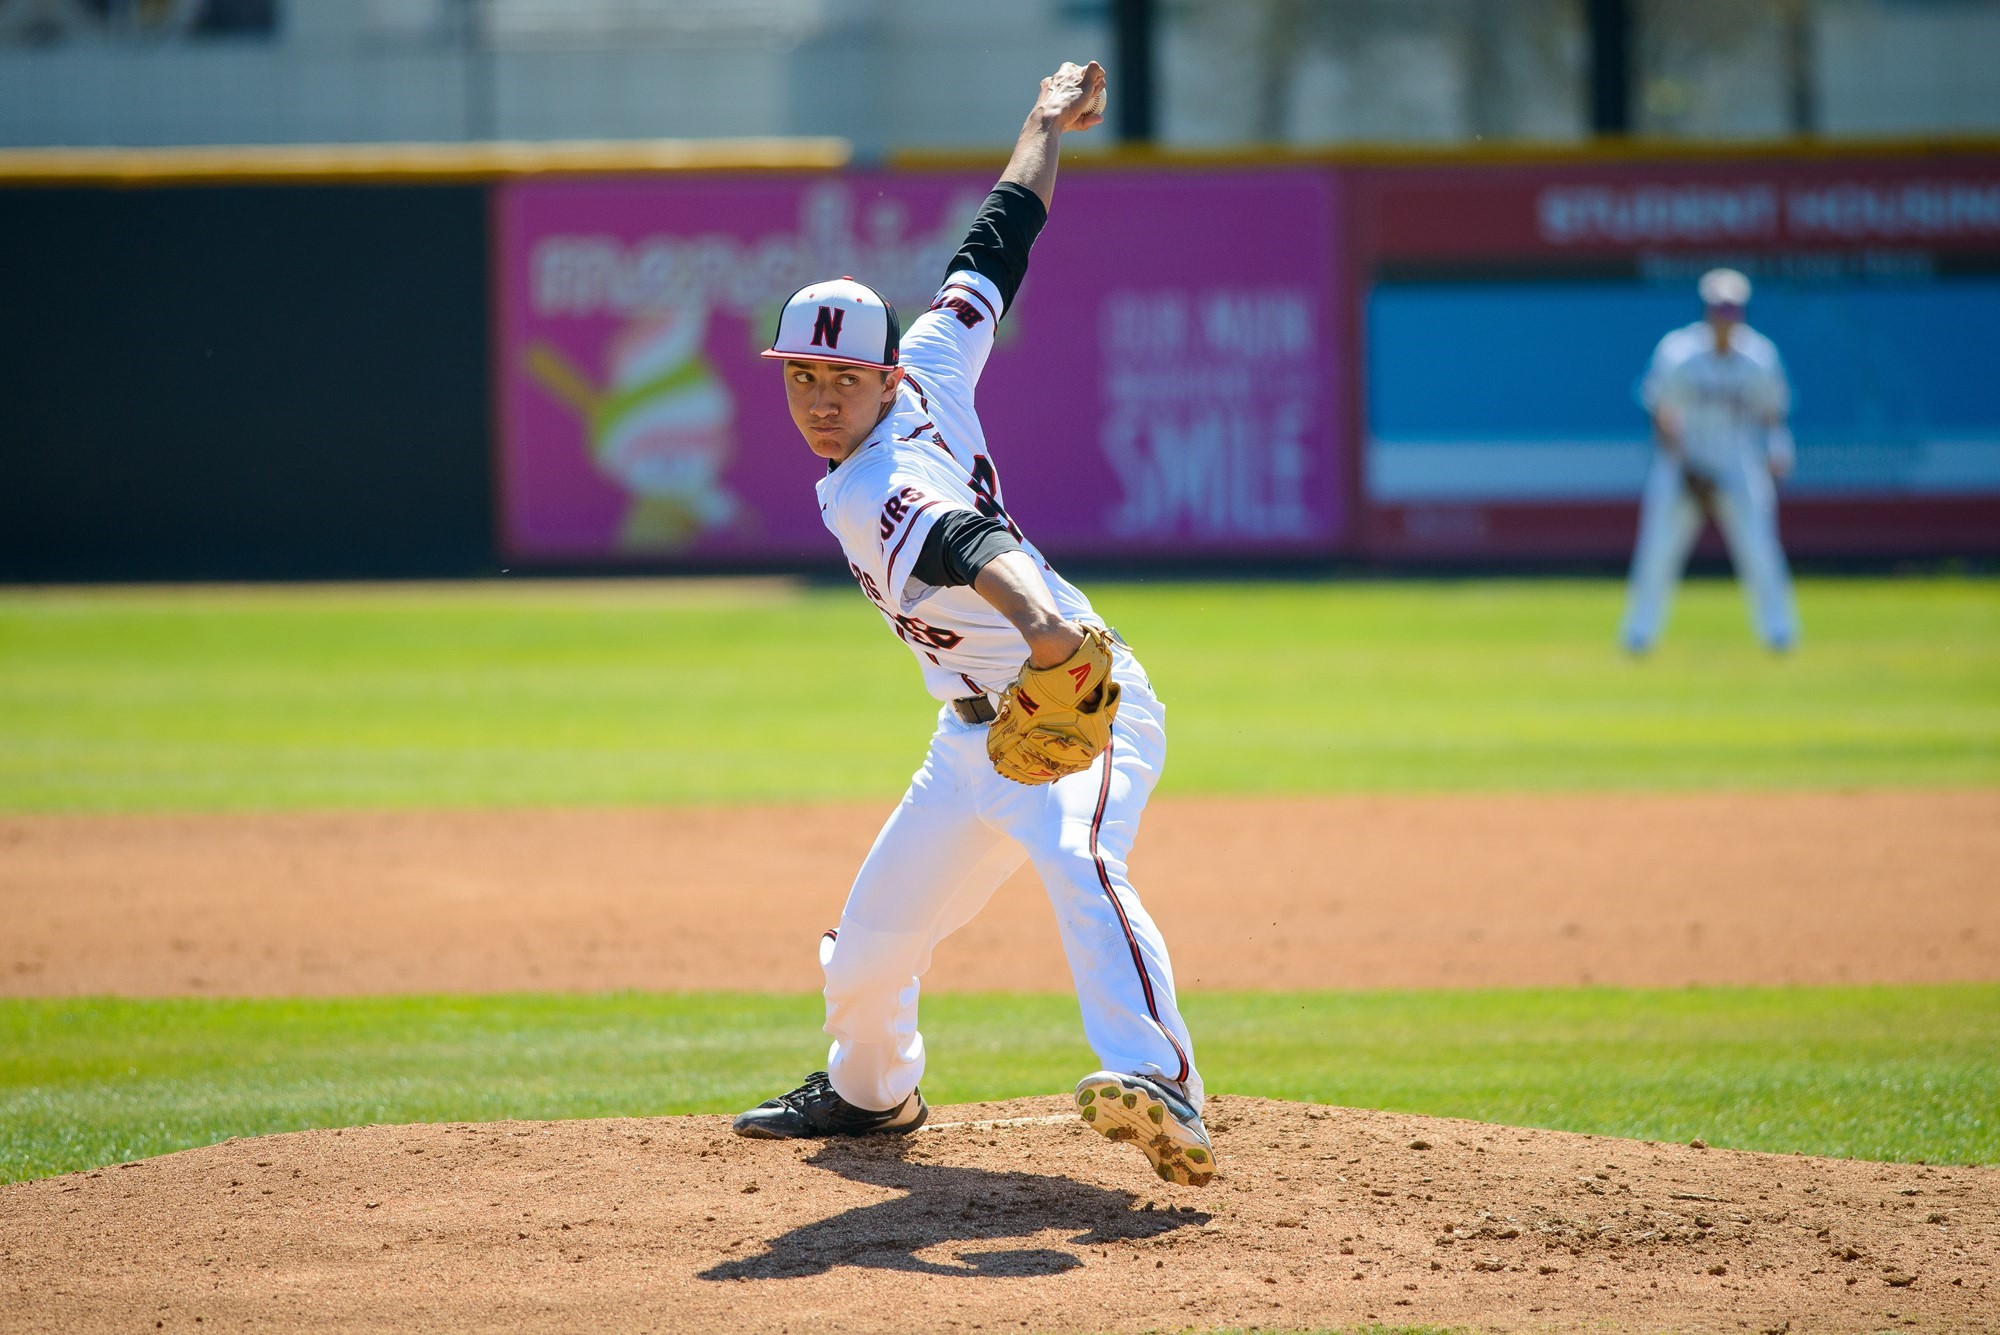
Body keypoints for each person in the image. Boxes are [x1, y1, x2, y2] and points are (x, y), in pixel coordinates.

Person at [727, 61, 1214, 1188]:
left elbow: (961, 543)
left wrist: (1048, 637)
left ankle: (1165, 1083)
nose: (817, 397)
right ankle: (869, 1093)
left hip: (1079, 701)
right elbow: (1002, 233)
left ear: (879, 374)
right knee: (866, 956)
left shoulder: (869, 489)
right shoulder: (935, 358)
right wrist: (1044, 125)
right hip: (969, 741)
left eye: (838, 377)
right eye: (800, 375)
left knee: (1077, 857)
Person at [1619, 268, 1800, 655]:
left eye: (1734, 308)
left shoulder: (1758, 357)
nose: (1727, 316)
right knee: (1657, 552)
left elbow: (1772, 413)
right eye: (1720, 307)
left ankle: (1779, 634)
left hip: (1737, 461)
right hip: (1684, 459)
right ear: (1706, 309)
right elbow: (1661, 413)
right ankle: (1638, 636)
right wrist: (1685, 468)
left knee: (1760, 550)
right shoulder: (1680, 353)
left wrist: (1779, 448)